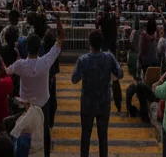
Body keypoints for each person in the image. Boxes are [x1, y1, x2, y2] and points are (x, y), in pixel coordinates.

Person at [7, 17, 64, 157]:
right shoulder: (45, 62)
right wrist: (58, 21)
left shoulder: (20, 65)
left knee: (23, 133)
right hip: (43, 105)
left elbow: (6, 71)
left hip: (25, 105)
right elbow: (61, 38)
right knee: (44, 133)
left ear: (26, 48)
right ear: (40, 48)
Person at [72, 29, 122, 157]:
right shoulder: (109, 57)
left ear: (89, 43)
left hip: (87, 103)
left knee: (85, 135)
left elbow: (74, 79)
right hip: (104, 102)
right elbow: (120, 73)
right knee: (103, 136)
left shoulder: (82, 60)